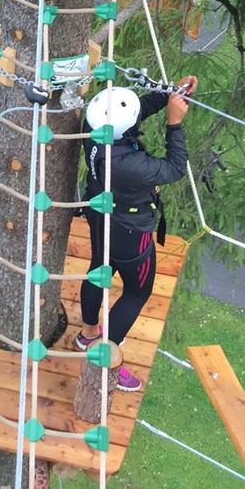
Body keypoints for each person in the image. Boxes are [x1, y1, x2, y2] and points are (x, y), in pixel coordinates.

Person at [77, 76, 196, 391]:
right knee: (136, 292)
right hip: (129, 231)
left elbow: (135, 111)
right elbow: (173, 168)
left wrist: (170, 95)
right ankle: (103, 353)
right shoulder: (130, 164)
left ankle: (88, 333)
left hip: (100, 212)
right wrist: (174, 124)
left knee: (99, 269)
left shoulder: (95, 129)